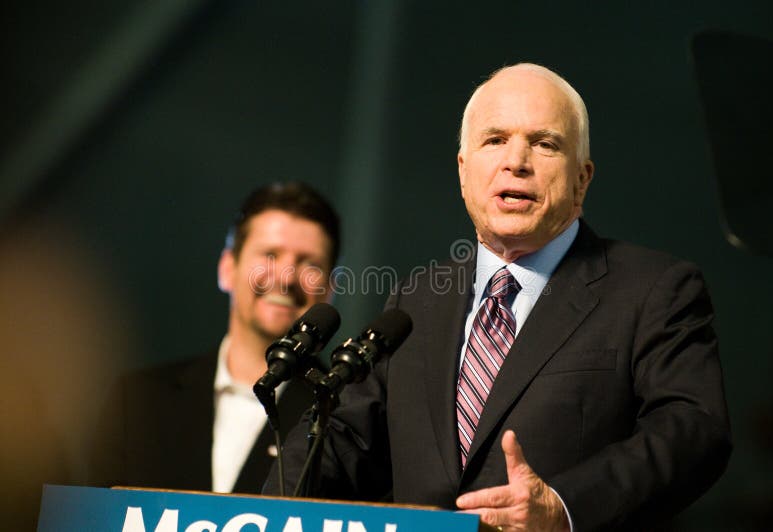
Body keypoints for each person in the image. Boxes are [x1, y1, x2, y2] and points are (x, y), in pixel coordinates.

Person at [265, 64, 732, 531]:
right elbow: (347, 438)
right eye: (494, 140)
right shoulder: (418, 299)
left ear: (582, 179)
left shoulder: (653, 288)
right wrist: (261, 514)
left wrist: (564, 507)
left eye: (545, 143)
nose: (517, 161)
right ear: (464, 172)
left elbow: (693, 429)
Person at [90, 182, 339, 494]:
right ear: (227, 268)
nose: (287, 277)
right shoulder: (138, 404)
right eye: (270, 255)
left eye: (309, 264)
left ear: (329, 289)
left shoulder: (344, 420)